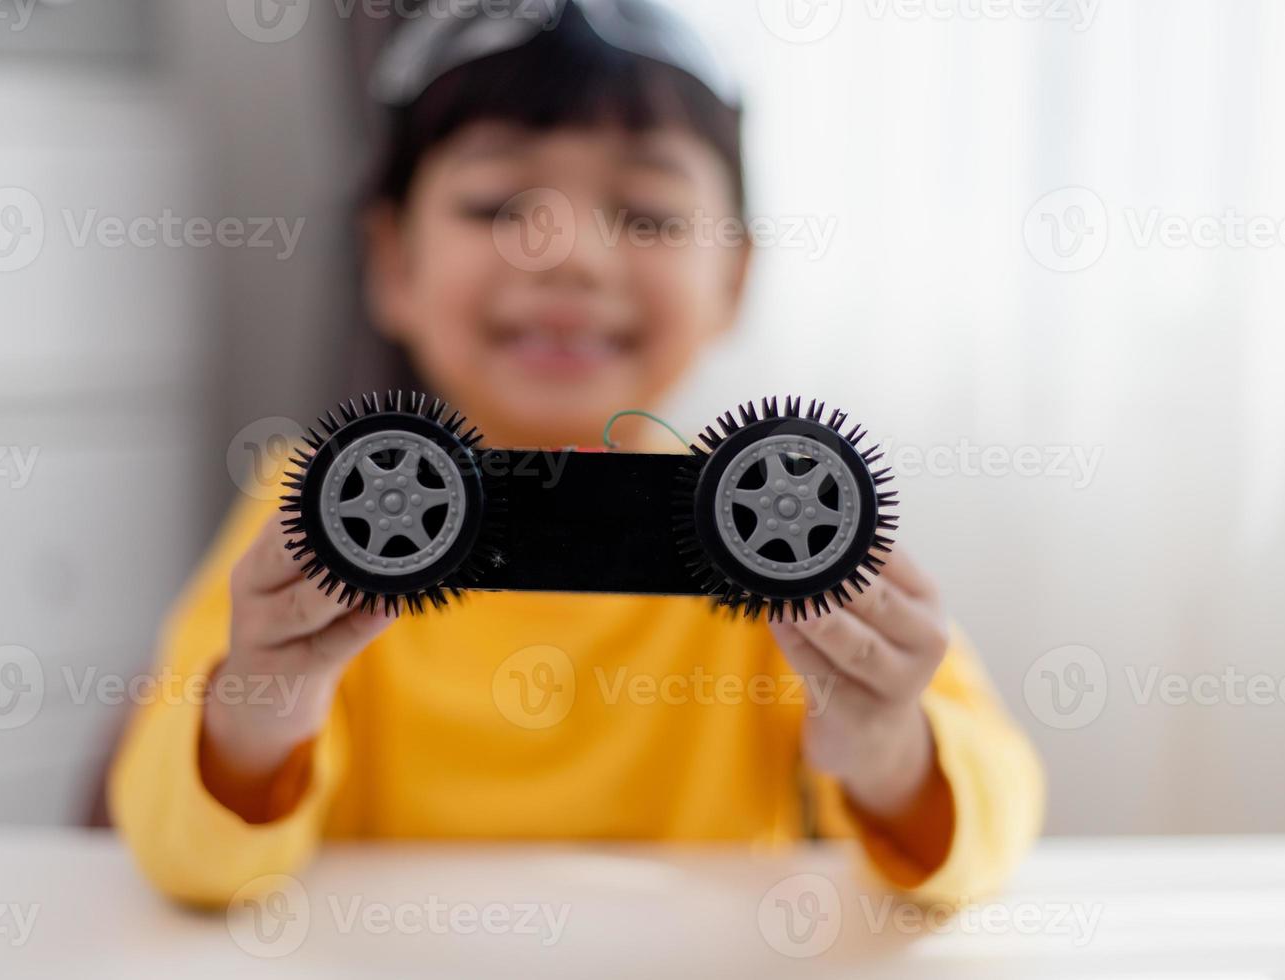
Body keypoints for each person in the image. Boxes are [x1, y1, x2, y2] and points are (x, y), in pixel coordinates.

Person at [110, 0, 1043, 908]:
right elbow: (182, 857)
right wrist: (260, 715)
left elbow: (989, 827)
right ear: (391, 264)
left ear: (736, 277)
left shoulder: (776, 525)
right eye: (497, 204)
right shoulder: (307, 511)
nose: (572, 258)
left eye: (648, 216)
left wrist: (885, 744)